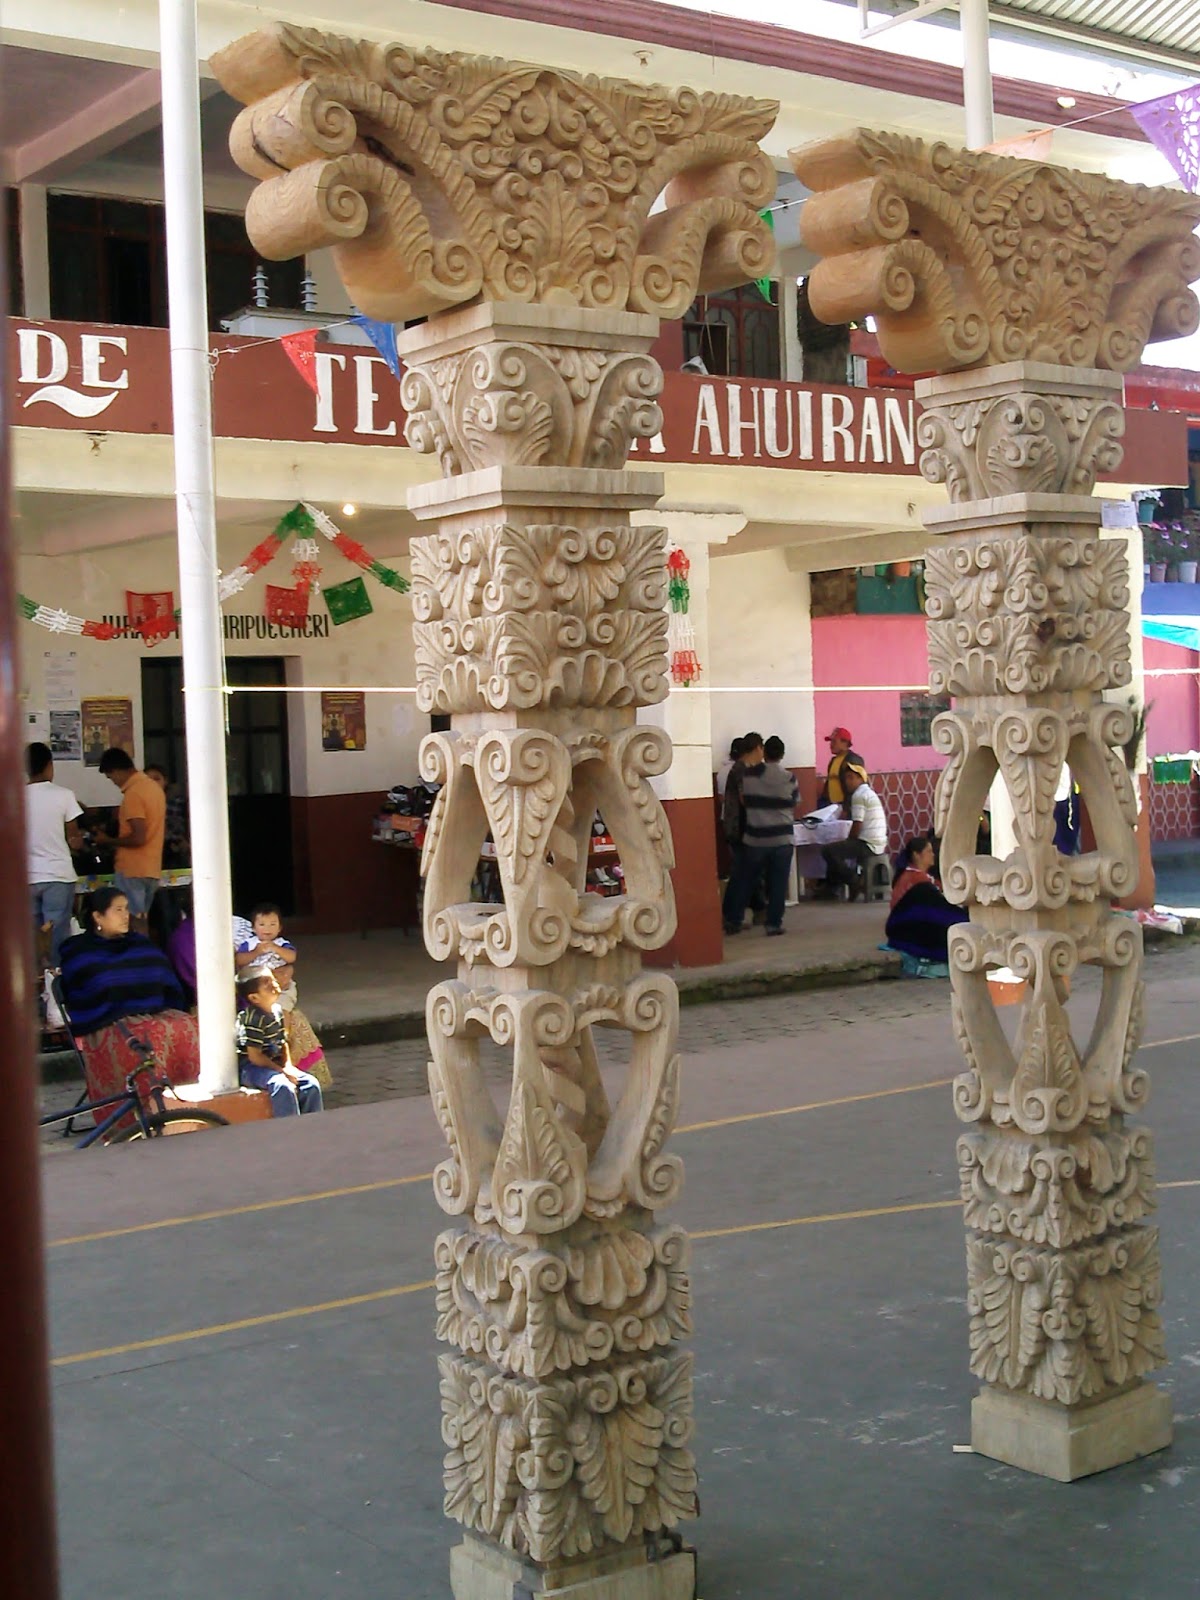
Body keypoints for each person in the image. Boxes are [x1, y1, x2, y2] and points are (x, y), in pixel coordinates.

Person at [58, 886, 199, 1117]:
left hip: (153, 1012)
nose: (126, 915)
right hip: (105, 1021)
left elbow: (164, 979)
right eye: (118, 909)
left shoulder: (139, 944)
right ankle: (147, 1114)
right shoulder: (79, 951)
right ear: (97, 916)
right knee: (146, 1038)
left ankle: (188, 1106)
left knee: (189, 1027)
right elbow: (90, 991)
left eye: (126, 909)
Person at [234, 903, 331, 1089]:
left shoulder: (281, 944)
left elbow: (291, 957)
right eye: (262, 925)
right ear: (253, 928)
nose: (267, 929)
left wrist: (275, 949)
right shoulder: (250, 945)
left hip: (281, 986)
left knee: (283, 1007)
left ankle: (282, 1034)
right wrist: (257, 952)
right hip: (259, 984)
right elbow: (240, 960)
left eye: (272, 925)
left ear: (279, 928)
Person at [723, 734, 798, 937]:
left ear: (764, 752)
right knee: (778, 882)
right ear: (782, 754)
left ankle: (734, 919)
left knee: (745, 879)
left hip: (755, 838)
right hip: (782, 838)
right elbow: (794, 802)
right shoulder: (790, 778)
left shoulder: (749, 776)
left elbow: (745, 801)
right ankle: (773, 923)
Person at [25, 741, 84, 967]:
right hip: (58, 875)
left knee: (33, 934)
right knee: (58, 933)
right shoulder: (64, 795)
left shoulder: (14, 798)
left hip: (28, 878)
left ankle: (39, 984)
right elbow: (74, 840)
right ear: (49, 765)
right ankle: (58, 982)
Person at [235, 967, 324, 1117]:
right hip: (252, 1068)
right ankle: (288, 1128)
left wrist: (288, 1066)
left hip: (273, 1065)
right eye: (267, 985)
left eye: (273, 980)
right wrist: (281, 1071)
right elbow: (255, 1057)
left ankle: (313, 1126)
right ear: (254, 998)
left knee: (310, 1083)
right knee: (282, 1086)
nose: (275, 985)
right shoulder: (253, 1019)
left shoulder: (277, 1011)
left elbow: (283, 1042)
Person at [98, 748, 165, 934]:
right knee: (141, 918)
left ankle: (139, 959)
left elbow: (138, 837)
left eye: (111, 778)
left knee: (132, 922)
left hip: (132, 868)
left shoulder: (133, 794)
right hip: (151, 867)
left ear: (117, 770)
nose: (114, 783)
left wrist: (107, 841)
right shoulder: (154, 789)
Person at [884, 835, 968, 966]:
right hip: (907, 924)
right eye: (929, 851)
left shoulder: (922, 876)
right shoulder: (914, 879)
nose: (933, 855)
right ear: (917, 855)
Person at [821, 762, 888, 898]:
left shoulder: (858, 796)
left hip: (867, 843)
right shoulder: (869, 793)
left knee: (828, 850)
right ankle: (836, 888)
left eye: (852, 778)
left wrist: (849, 840)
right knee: (838, 849)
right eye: (846, 778)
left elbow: (857, 824)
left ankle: (853, 881)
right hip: (879, 842)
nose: (848, 782)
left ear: (861, 779)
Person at [145, 764, 190, 866]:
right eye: (148, 780)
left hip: (176, 852)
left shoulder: (178, 803)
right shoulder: (138, 806)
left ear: (165, 781)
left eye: (156, 779)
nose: (152, 783)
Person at [819, 726, 867, 809]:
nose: (831, 745)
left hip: (846, 806)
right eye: (831, 741)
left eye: (834, 741)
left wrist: (847, 808)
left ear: (845, 743)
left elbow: (856, 786)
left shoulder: (852, 759)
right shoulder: (833, 761)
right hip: (832, 806)